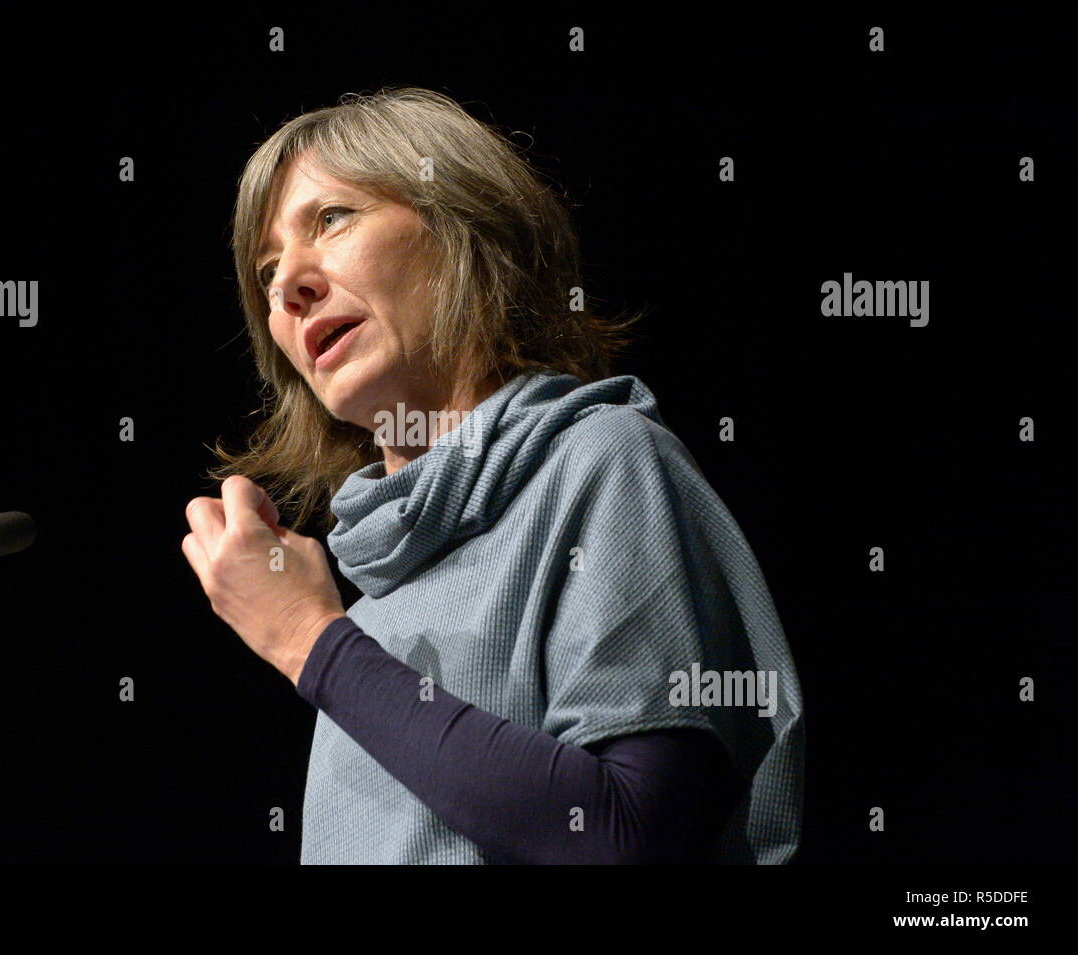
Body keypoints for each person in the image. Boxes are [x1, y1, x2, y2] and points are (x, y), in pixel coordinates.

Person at [180, 86, 804, 864]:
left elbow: (624, 835)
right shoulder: (373, 599)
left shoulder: (603, 462)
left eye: (332, 219)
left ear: (462, 228)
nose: (286, 286)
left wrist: (310, 641)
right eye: (267, 270)